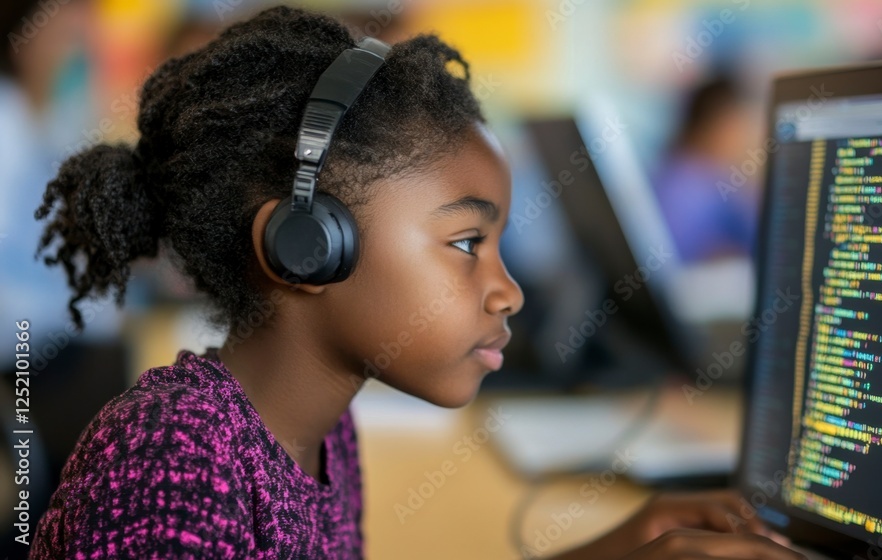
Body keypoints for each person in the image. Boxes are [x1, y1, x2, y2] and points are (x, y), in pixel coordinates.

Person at [27, 7, 803, 559]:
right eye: (466, 242)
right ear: (305, 247)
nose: (509, 293)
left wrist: (615, 549)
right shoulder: (178, 463)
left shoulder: (315, 429)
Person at [651, 75, 761, 265]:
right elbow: (705, 256)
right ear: (717, 125)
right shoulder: (690, 183)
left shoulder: (694, 172)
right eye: (740, 125)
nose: (745, 137)